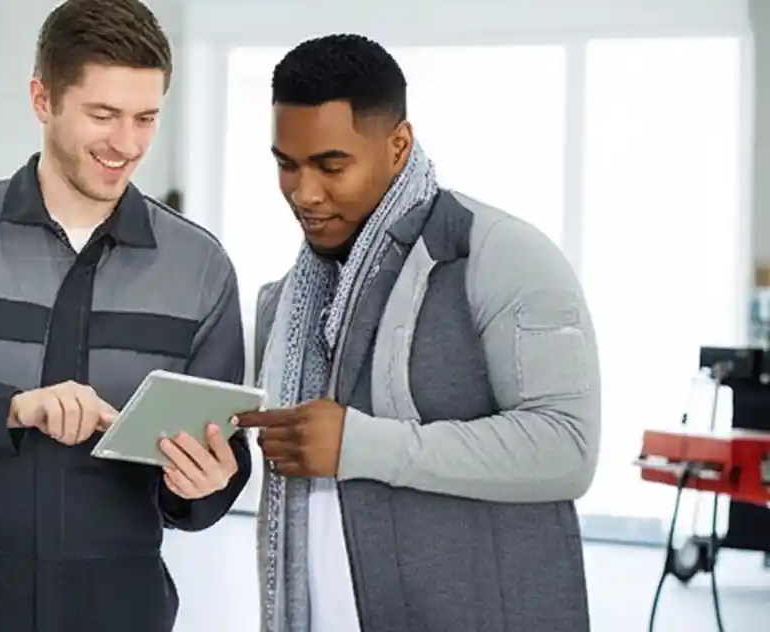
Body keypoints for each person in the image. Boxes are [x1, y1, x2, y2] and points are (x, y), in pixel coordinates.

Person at [0, 0, 252, 632]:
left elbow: (213, 472)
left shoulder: (199, 268)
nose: (126, 142)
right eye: (103, 114)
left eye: (146, 117)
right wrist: (12, 406)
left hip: (125, 604)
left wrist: (204, 485)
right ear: (43, 100)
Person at [234, 34, 601, 632]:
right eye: (286, 164)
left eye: (331, 165)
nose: (304, 193)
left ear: (398, 145)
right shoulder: (284, 305)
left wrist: (360, 444)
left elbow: (566, 449)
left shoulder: (502, 254)